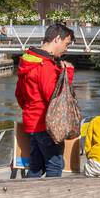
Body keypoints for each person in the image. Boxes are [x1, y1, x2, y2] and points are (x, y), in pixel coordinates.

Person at [14, 23, 75, 177]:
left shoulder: (28, 61)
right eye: (66, 44)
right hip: (47, 125)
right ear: (57, 39)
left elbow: (19, 95)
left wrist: (30, 110)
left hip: (32, 123)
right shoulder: (45, 66)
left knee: (36, 166)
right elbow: (54, 98)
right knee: (54, 166)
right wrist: (67, 74)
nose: (66, 49)